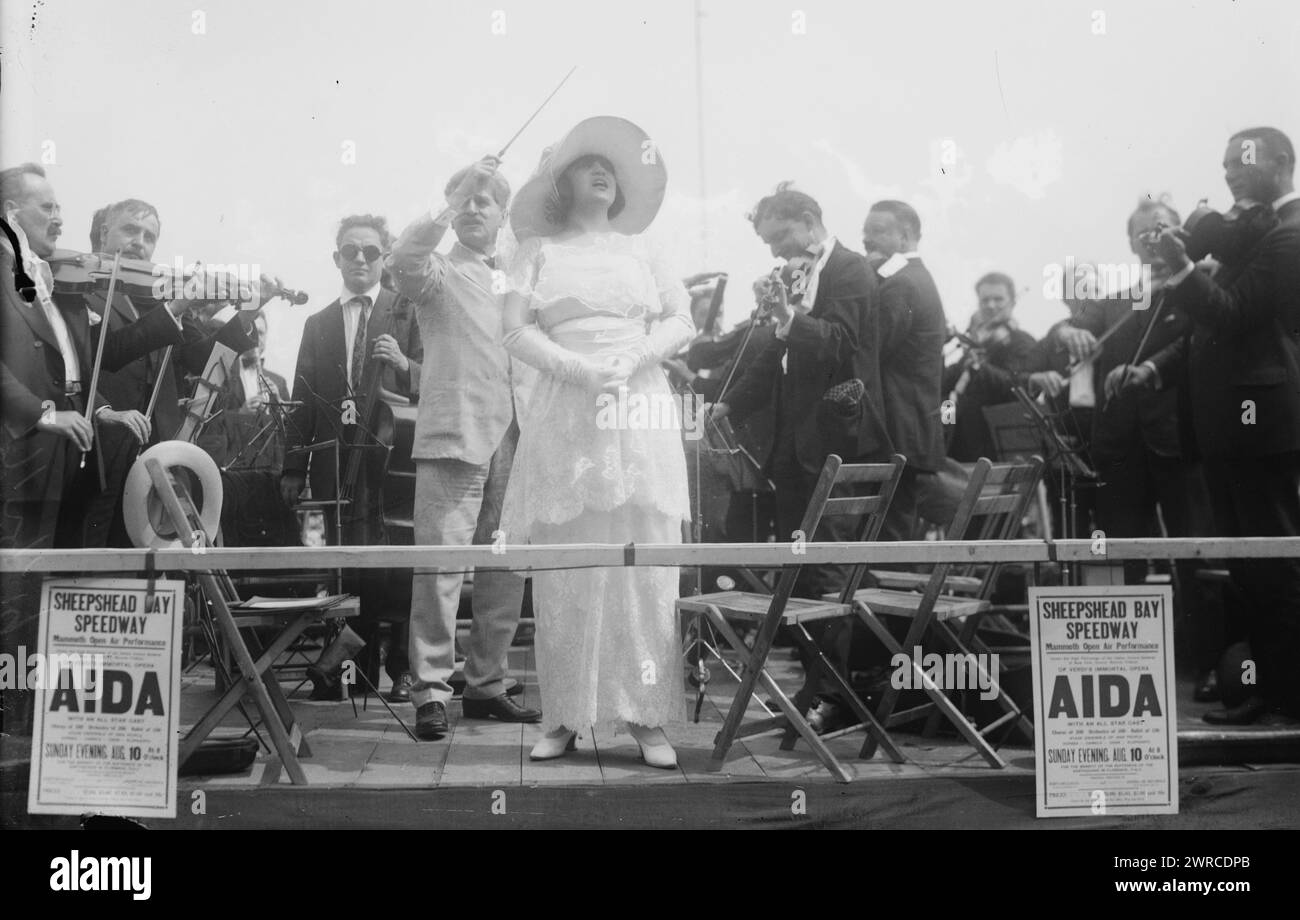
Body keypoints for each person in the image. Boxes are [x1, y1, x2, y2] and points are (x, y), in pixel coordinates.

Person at [499, 116, 694, 766]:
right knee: (570, 567)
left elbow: (681, 316)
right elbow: (516, 332)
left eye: (611, 166)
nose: (603, 173)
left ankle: (646, 717)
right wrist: (581, 371)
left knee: (641, 565)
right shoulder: (535, 253)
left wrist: (636, 357)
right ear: (563, 181)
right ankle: (563, 716)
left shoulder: (644, 247)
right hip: (568, 408)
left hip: (638, 407)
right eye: (588, 164)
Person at [711, 183, 889, 734]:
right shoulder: (798, 274)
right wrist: (727, 404)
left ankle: (834, 696)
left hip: (840, 443)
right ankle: (820, 690)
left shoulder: (853, 270)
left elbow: (838, 343)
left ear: (811, 221)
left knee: (828, 574)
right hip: (796, 451)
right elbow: (773, 355)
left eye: (780, 238)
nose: (774, 252)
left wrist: (789, 317)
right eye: (767, 243)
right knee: (802, 573)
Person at [1136, 127, 1300, 725]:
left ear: (1282, 162)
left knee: (1272, 561)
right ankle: (1271, 691)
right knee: (1250, 563)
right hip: (1236, 429)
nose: (1230, 172)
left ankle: (1284, 698)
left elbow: (1228, 315)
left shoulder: (1289, 235)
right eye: (1225, 162)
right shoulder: (1258, 235)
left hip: (1262, 429)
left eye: (1243, 161)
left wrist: (1183, 268)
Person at [387, 162, 540, 739]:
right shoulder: (434, 270)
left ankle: (487, 685)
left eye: (485, 202)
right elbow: (402, 258)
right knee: (440, 568)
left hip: (518, 437)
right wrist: (445, 204)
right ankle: (430, 690)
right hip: (456, 435)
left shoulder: (516, 278)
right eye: (464, 201)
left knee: (507, 568)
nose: (475, 209)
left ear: (503, 215)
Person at [1052, 198, 1221, 698]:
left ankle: (1207, 663)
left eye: (1162, 228)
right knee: (1121, 555)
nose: (1153, 239)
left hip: (1180, 440)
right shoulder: (1120, 299)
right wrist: (1069, 331)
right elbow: (1066, 330)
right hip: (1121, 445)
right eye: (1143, 234)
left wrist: (1149, 370)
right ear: (1130, 244)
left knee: (1191, 552)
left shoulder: (1200, 286)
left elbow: (1194, 342)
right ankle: (1126, 668)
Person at [281, 215, 422, 699]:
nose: (360, 259)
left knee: (398, 560)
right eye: (350, 250)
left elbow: (439, 377)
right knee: (347, 562)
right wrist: (293, 467)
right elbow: (300, 400)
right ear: (336, 257)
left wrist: (406, 365)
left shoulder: (409, 311)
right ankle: (355, 672)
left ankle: (402, 667)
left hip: (394, 458)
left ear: (385, 256)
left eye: (371, 251)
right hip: (336, 462)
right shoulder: (317, 323)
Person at [75, 197, 261, 547]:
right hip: (102, 442)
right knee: (96, 541)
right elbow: (92, 359)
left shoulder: (157, 293)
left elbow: (199, 359)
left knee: (153, 547)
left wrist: (246, 317)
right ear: (103, 233)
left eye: (149, 236)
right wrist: (176, 305)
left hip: (157, 443)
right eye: (130, 230)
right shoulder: (82, 289)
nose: (140, 243)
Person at [862, 199, 948, 542]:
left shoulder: (900, 284)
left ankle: (893, 596)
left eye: (878, 231)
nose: (867, 240)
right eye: (864, 233)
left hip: (895, 431)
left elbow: (870, 351)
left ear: (906, 235)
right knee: (896, 533)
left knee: (890, 538)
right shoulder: (918, 278)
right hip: (911, 431)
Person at [942, 272, 1039, 462]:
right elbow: (947, 388)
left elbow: (1016, 386)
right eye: (985, 300)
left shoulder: (1022, 341)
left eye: (998, 299)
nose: (991, 305)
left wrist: (980, 366)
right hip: (960, 440)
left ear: (1013, 302)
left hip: (994, 444)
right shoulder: (976, 346)